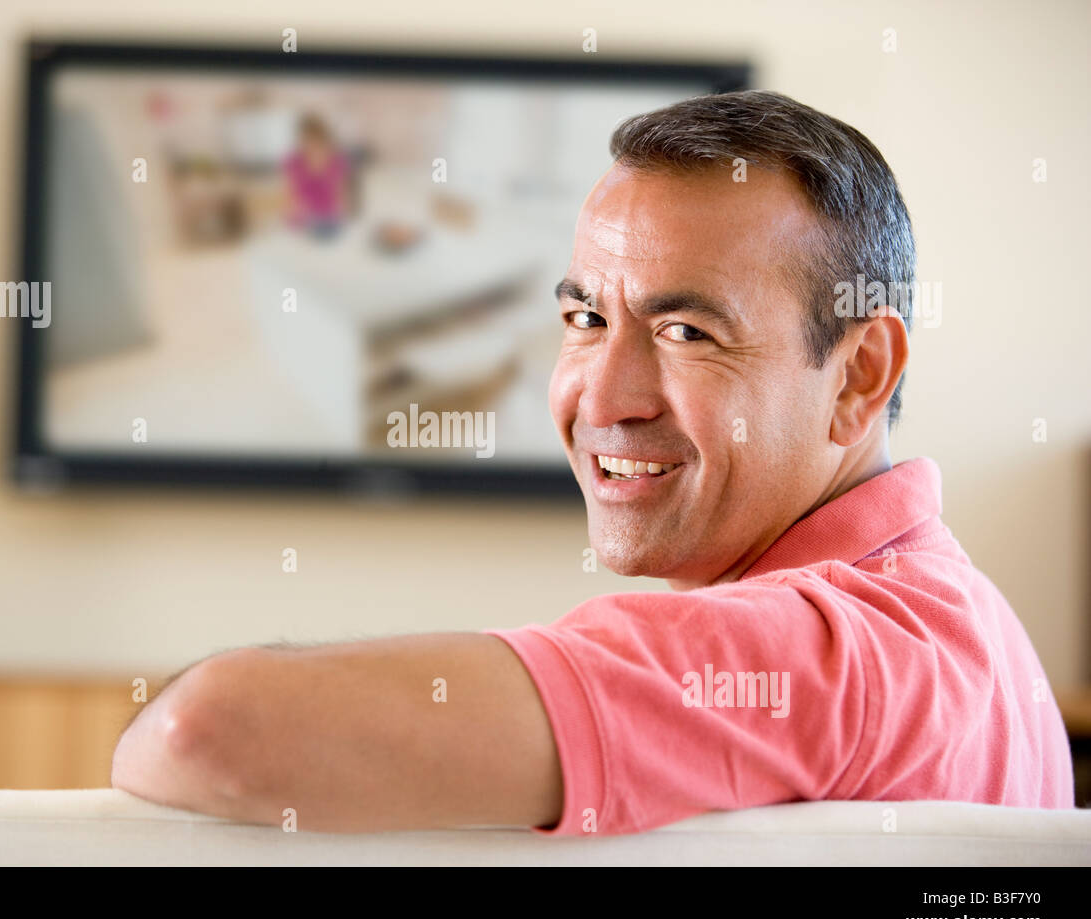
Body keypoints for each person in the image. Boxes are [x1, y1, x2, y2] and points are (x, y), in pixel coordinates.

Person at [111, 91, 1075, 835]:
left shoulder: (831, 655)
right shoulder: (961, 624)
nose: (603, 398)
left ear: (860, 375)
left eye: (688, 330)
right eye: (586, 319)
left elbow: (209, 733)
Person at [282, 112, 349, 238]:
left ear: (324, 138)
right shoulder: (293, 161)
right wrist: (293, 213)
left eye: (315, 139)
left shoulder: (337, 160)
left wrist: (342, 215)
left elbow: (340, 191)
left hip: (330, 218)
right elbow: (290, 192)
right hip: (302, 218)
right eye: (306, 139)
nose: (311, 144)